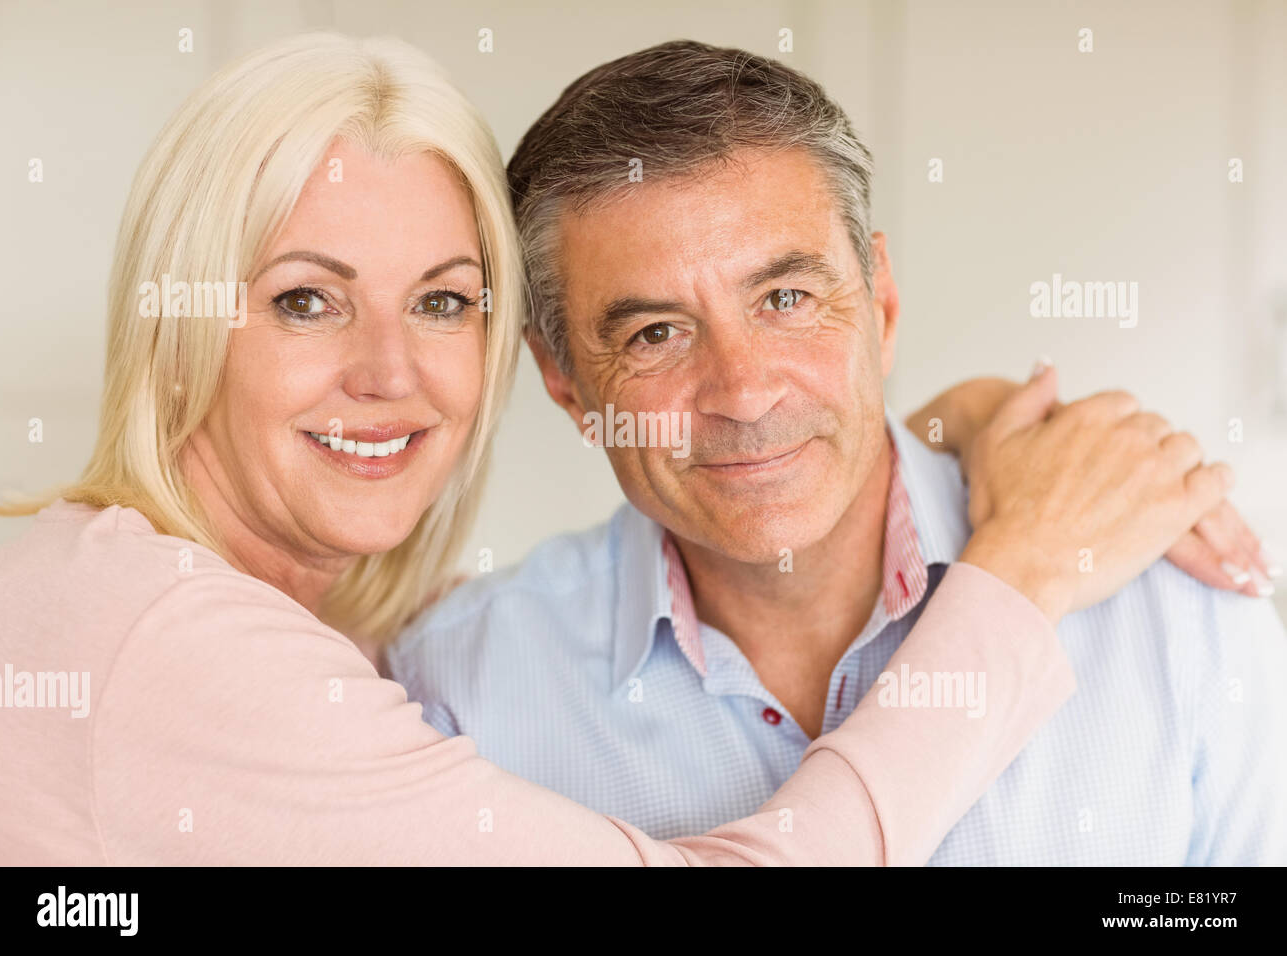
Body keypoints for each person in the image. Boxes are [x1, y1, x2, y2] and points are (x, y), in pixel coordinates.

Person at [389, 40, 1287, 864]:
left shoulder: (1176, 607)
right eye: (656, 333)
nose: (744, 393)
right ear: (565, 382)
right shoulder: (462, 695)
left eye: (784, 298)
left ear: (881, 304)